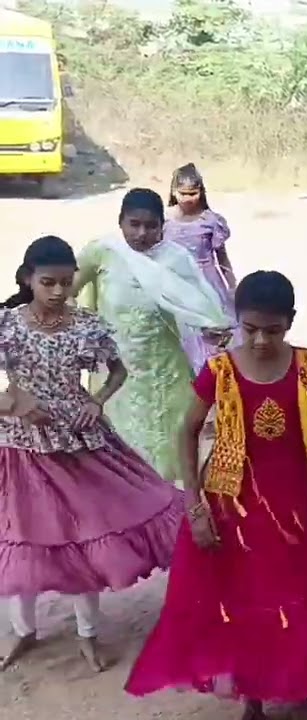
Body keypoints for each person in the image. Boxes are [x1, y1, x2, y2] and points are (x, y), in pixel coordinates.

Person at [125, 271, 307, 720]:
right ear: (238, 321)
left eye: (273, 330)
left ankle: (299, 690)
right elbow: (187, 432)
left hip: (294, 502)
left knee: (302, 590)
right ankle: (252, 698)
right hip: (233, 505)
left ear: (290, 323)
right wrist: (194, 506)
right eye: (251, 329)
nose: (260, 340)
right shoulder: (219, 370)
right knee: (245, 598)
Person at [0, 236, 183, 673]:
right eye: (49, 283)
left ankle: (88, 634)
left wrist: (96, 400)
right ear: (28, 279)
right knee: (20, 537)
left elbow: (117, 370)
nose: (59, 292)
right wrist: (11, 402)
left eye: (67, 283)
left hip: (79, 444)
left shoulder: (86, 325)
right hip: (19, 446)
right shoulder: (7, 324)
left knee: (86, 537)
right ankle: (22, 630)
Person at [73, 188, 234, 483]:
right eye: (134, 224)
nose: (142, 233)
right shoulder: (102, 252)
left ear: (163, 226)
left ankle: (165, 521)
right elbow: (64, 293)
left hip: (165, 374)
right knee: (120, 456)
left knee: (166, 454)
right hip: (117, 375)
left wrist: (214, 329)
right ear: (120, 222)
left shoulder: (176, 259)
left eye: (151, 226)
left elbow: (203, 306)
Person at [165, 162, 237, 370]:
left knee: (214, 340)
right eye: (183, 193)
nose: (188, 199)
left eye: (193, 193)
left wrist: (233, 286)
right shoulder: (163, 220)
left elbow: (222, 258)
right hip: (176, 286)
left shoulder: (211, 221)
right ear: (173, 191)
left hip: (209, 286)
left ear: (201, 191)